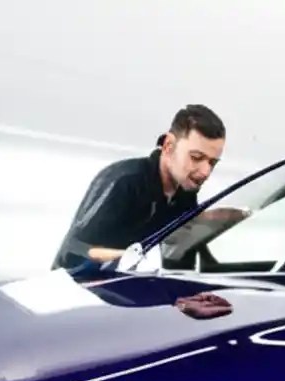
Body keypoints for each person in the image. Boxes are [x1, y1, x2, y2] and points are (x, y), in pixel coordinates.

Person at [51, 104, 228, 271]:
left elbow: (185, 259)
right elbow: (73, 250)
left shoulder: (185, 195)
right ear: (168, 146)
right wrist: (138, 261)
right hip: (80, 293)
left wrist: (211, 227)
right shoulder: (123, 182)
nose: (205, 172)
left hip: (137, 295)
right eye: (196, 157)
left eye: (212, 163)